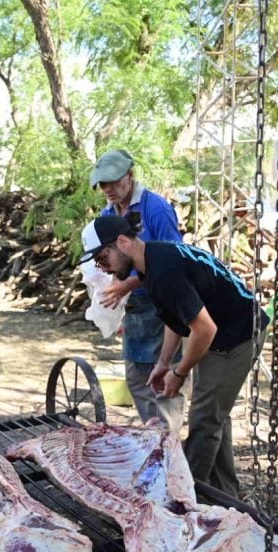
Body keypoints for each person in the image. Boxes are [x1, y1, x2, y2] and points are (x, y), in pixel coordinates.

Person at [80, 215, 267, 499]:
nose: (101, 267)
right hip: (222, 331)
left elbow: (204, 329)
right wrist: (163, 363)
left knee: (205, 420)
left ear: (122, 242)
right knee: (213, 412)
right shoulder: (151, 262)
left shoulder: (164, 271)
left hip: (238, 334)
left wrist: (179, 373)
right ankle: (224, 492)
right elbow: (177, 318)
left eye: (102, 258)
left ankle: (184, 500)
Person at [92, 150, 186, 431]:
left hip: (162, 301)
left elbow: (173, 261)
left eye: (112, 181)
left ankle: (167, 444)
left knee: (164, 379)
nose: (107, 189)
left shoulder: (155, 209)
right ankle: (155, 435)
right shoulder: (108, 214)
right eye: (102, 184)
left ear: (130, 176)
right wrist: (119, 305)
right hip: (135, 306)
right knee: (136, 377)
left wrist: (129, 284)